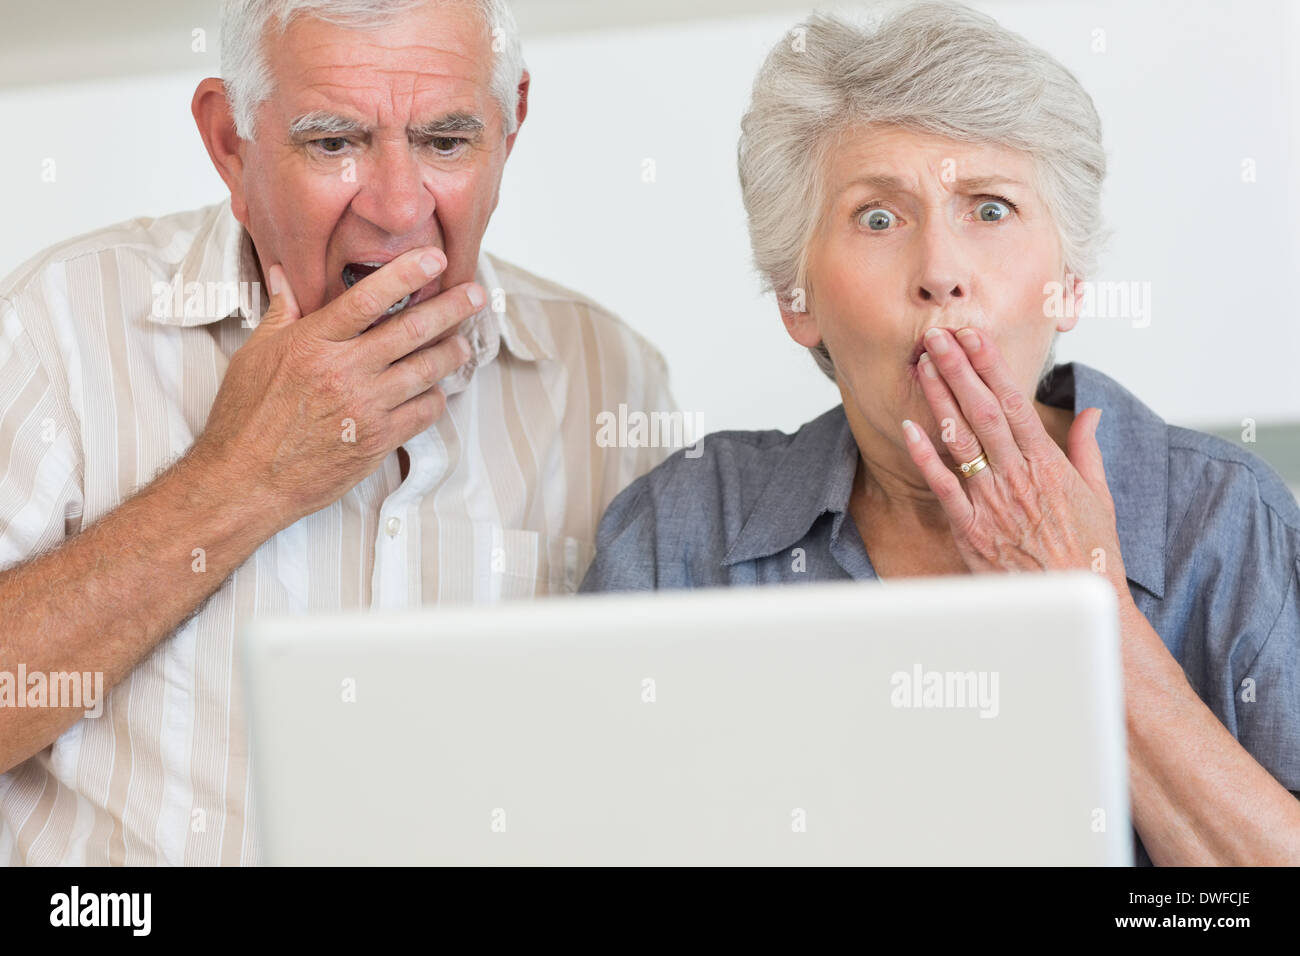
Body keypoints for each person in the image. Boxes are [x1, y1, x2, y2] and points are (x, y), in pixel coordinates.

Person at [581, 2, 1300, 866]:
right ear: (795, 299)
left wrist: (1086, 606)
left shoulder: (1230, 520)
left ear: (1068, 285)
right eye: (878, 218)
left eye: (990, 210)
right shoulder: (679, 534)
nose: (940, 275)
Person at [0, 0, 675, 864]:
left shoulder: (611, 377)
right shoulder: (55, 329)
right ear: (230, 146)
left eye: (446, 141)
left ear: (511, 130)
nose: (398, 210)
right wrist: (240, 478)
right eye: (333, 142)